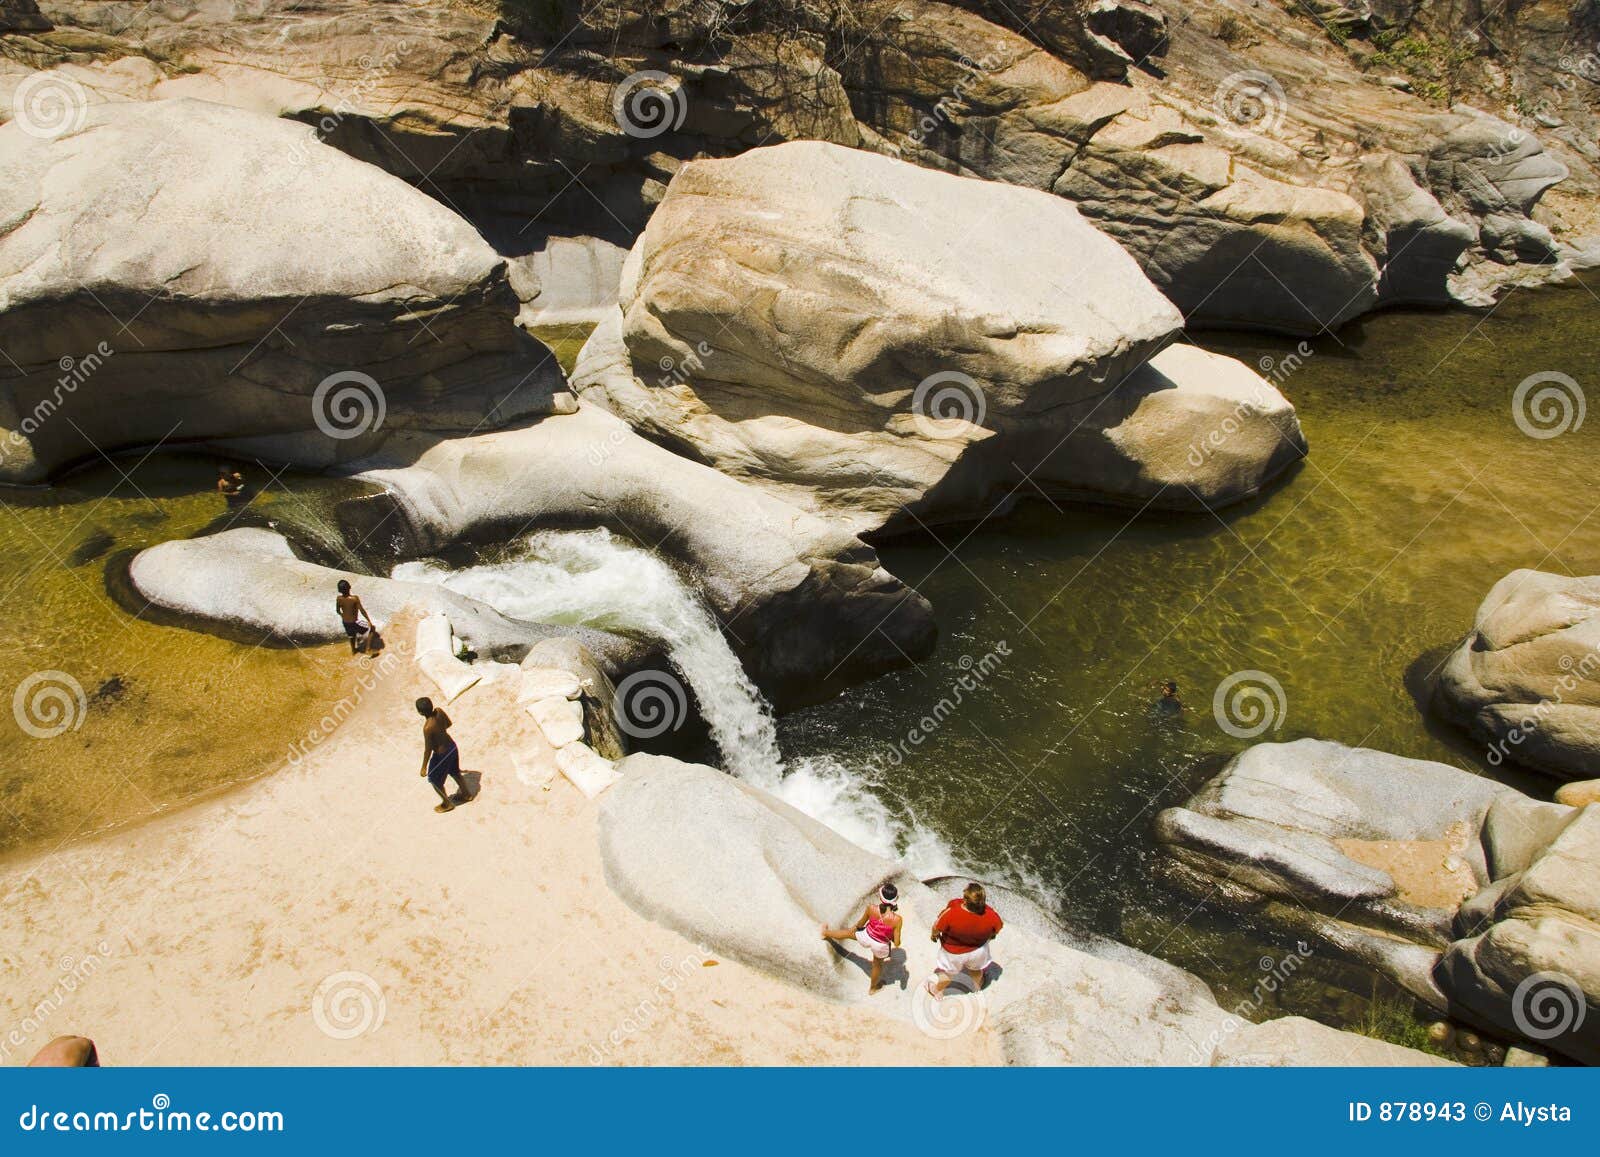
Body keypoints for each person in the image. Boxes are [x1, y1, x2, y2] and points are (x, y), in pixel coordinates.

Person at [821, 883, 903, 994]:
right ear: (895, 900)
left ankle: (825, 933)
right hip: (880, 945)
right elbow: (897, 943)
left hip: (866, 936)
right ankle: (873, 988)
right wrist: (892, 936)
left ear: (880, 897)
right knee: (877, 965)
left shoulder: (871, 908)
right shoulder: (897, 920)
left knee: (846, 934)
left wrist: (853, 930)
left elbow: (860, 924)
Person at [926, 882, 1002, 999]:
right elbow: (998, 927)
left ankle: (936, 989)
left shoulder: (952, 911)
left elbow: (937, 927)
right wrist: (990, 935)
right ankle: (977, 986)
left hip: (953, 953)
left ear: (966, 900)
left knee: (949, 973)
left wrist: (933, 935)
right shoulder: (991, 915)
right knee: (976, 970)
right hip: (978, 951)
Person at [417, 697, 468, 812]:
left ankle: (447, 803)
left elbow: (428, 749)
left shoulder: (427, 728)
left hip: (441, 755)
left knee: (434, 780)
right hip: (452, 747)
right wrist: (440, 732)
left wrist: (424, 767)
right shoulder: (439, 711)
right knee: (455, 771)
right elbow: (448, 724)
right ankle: (466, 794)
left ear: (420, 712)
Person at [335, 580, 374, 654]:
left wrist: (342, 615)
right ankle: (368, 648)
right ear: (349, 587)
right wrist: (369, 621)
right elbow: (362, 610)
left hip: (345, 622)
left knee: (351, 636)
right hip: (354, 622)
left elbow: (337, 610)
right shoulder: (354, 598)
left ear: (339, 590)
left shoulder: (339, 598)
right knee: (371, 629)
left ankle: (354, 650)